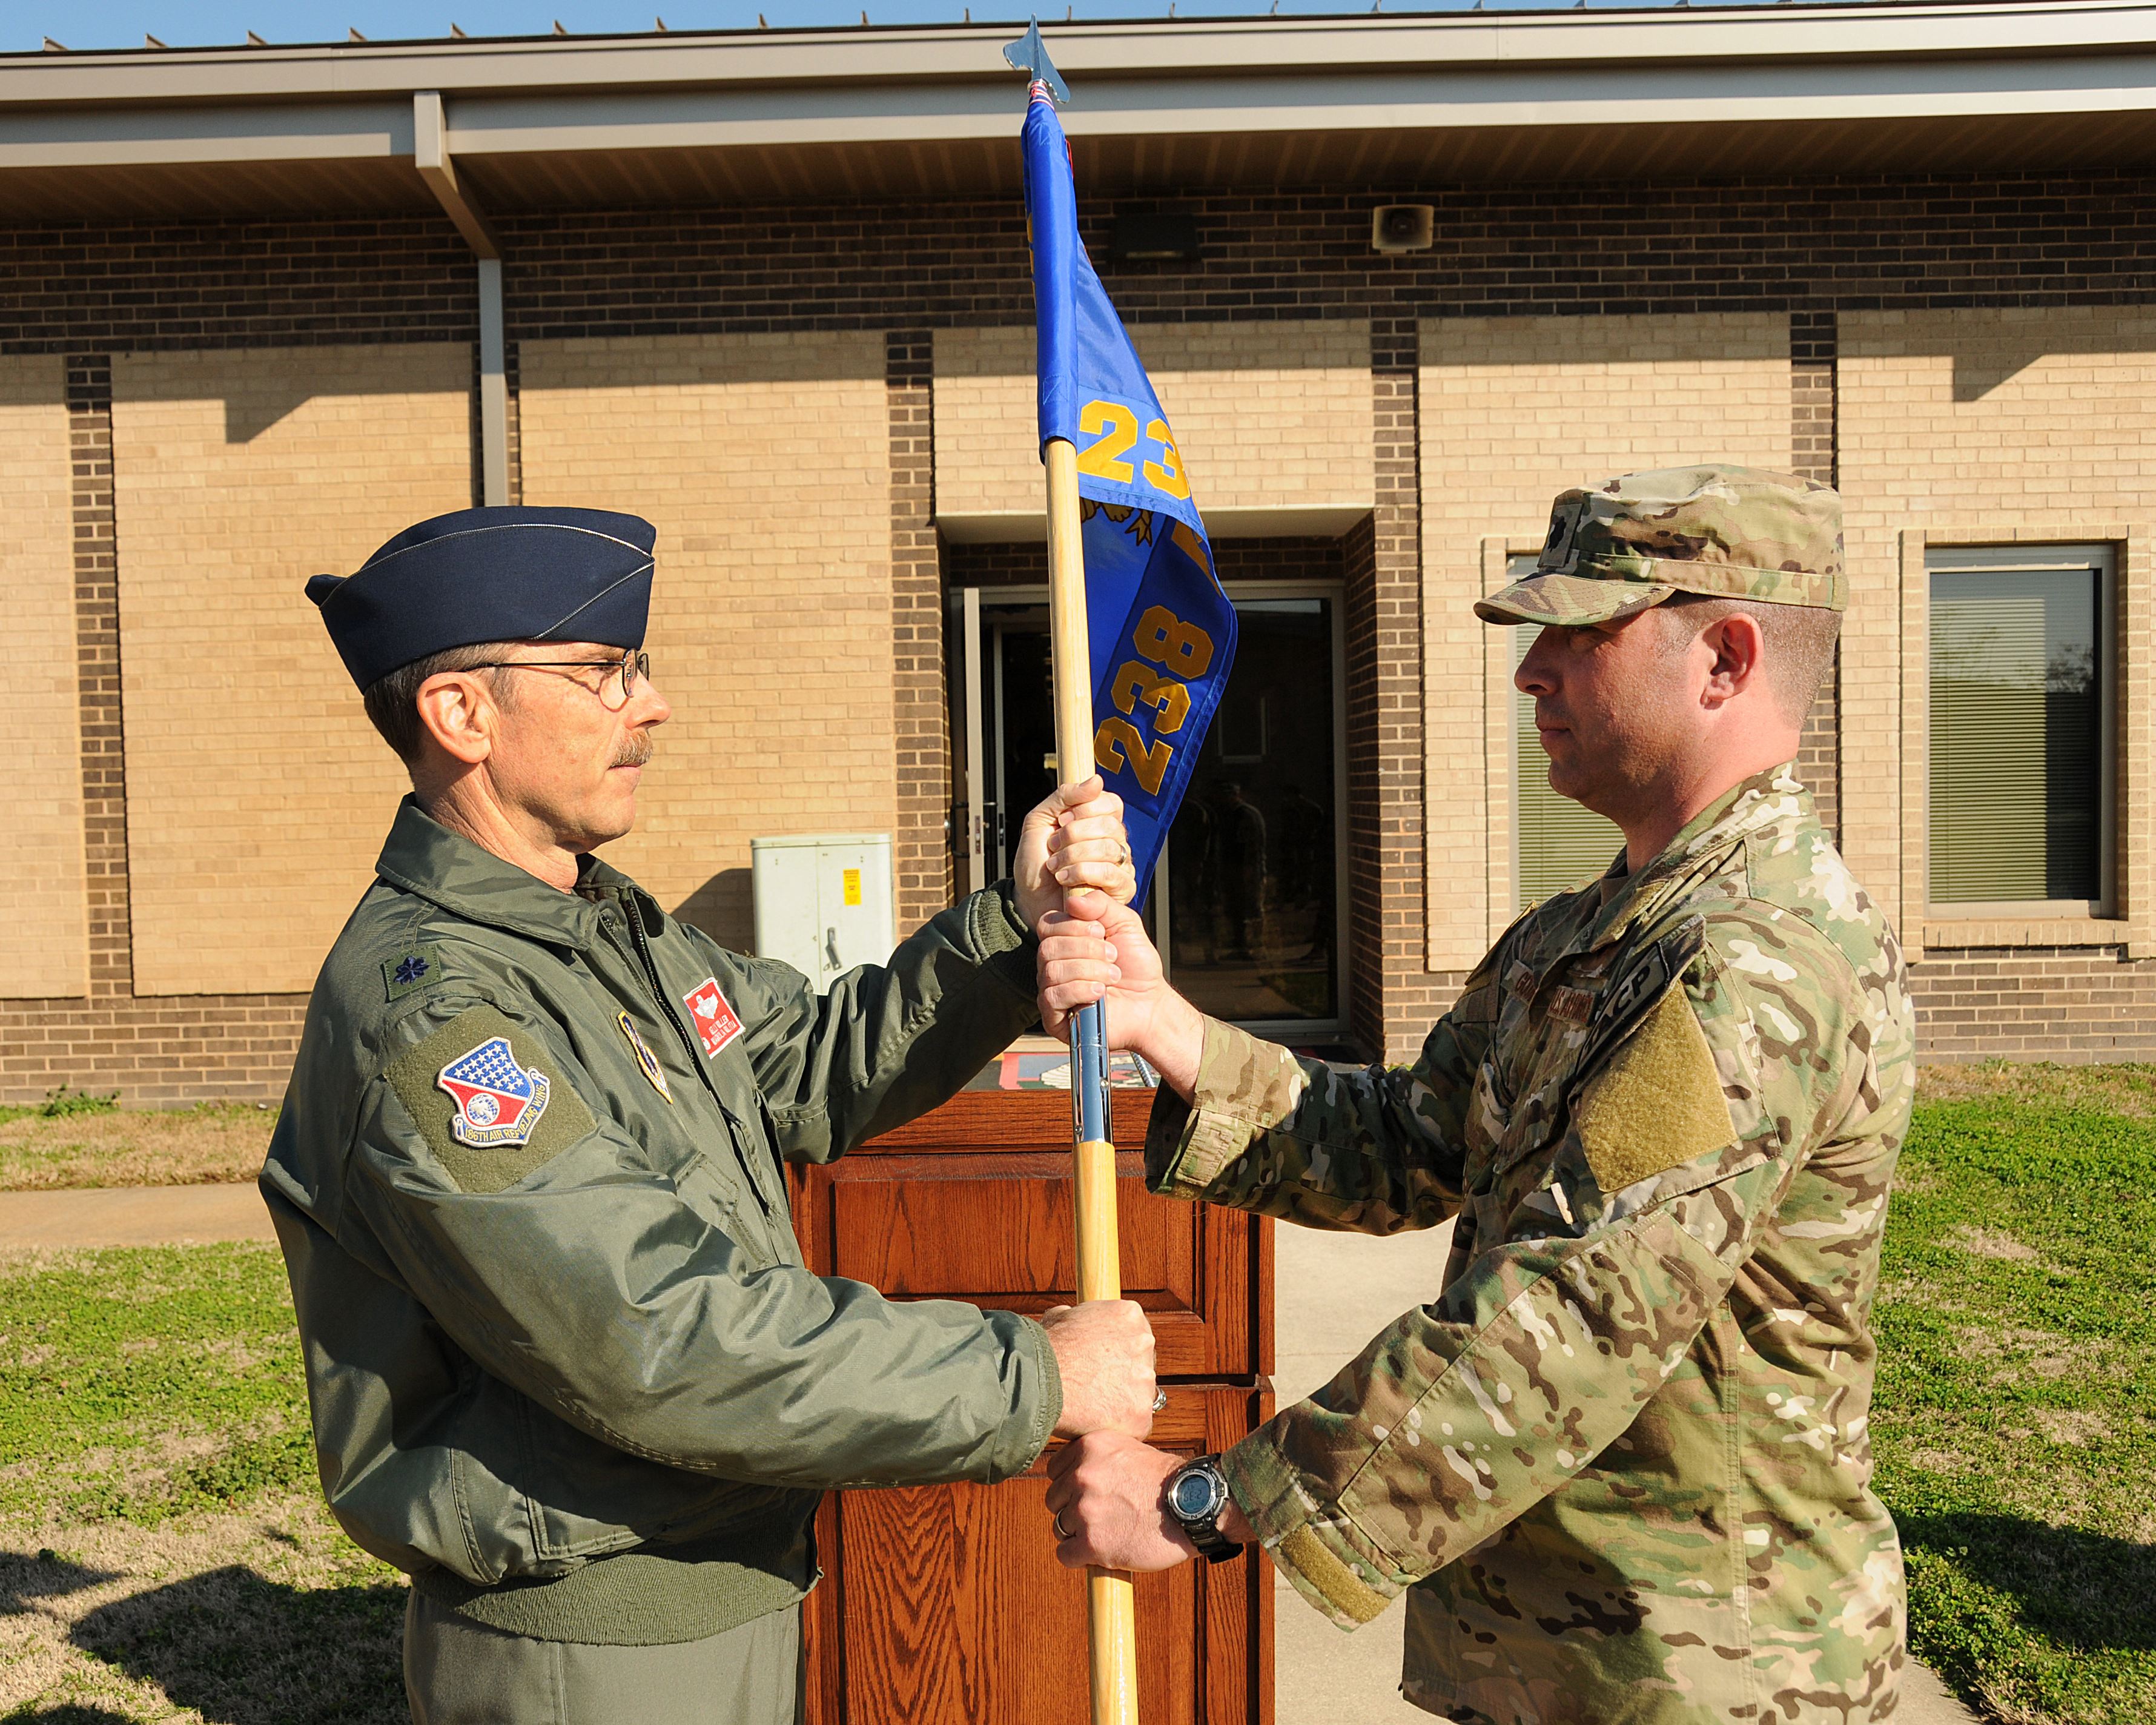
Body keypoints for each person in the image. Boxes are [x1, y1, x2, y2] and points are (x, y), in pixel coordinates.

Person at [1036, 467, 1915, 1725]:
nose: (1531, 672)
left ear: (1723, 657)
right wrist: (1165, 1023)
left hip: (1702, 1667)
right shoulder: (1585, 934)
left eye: (1579, 634)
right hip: (1568, 1649)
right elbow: (1411, 1141)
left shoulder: (1754, 957)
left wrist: (1207, 1499)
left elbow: (1571, 1313)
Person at [262, 505, 1157, 1725]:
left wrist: (1009, 917)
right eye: (605, 670)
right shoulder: (438, 1014)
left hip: (711, 1585)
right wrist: (1030, 1374)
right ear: (462, 714)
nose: (652, 703)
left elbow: (812, 1060)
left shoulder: (602, 928)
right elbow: (659, 1332)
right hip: (595, 1640)